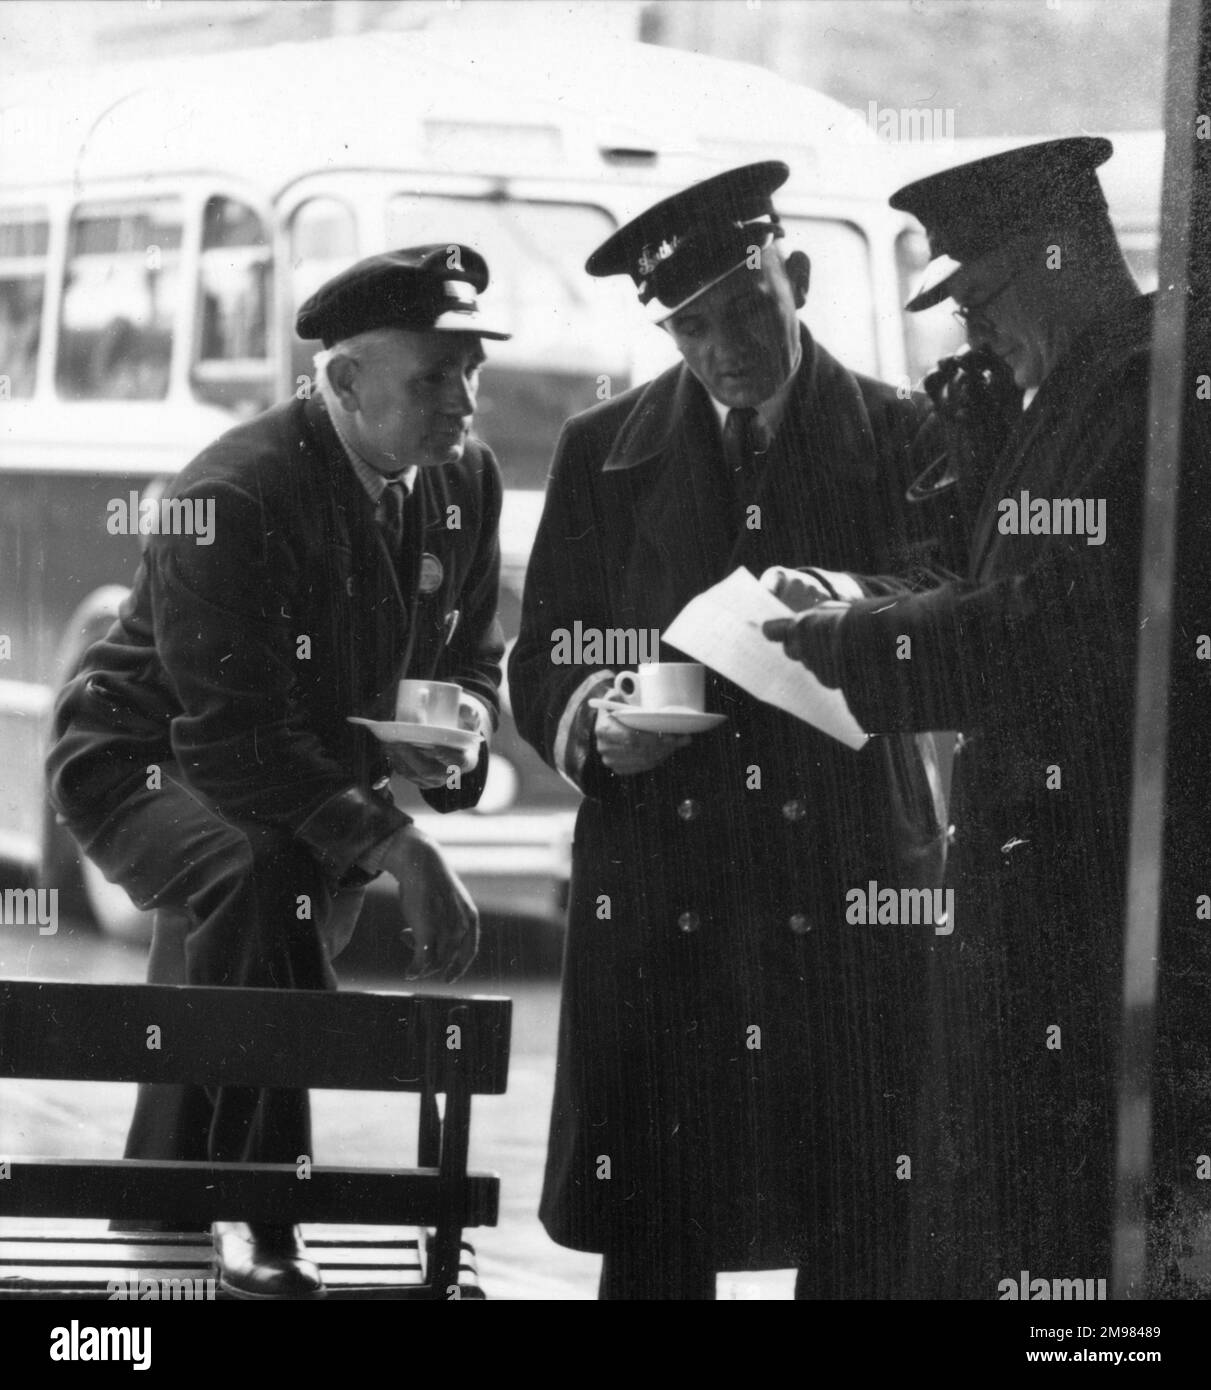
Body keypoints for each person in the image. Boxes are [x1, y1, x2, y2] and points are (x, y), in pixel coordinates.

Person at [764, 137, 1211, 1297]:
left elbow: (1056, 625)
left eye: (978, 298)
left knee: (1060, 1224)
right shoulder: (1068, 391)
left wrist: (857, 638)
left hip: (1095, 901)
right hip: (1045, 892)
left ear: (1057, 257)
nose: (970, 330)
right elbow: (989, 577)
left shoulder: (1144, 392)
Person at [508, 162, 953, 1300]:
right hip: (669, 877)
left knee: (858, 1218)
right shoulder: (600, 448)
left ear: (793, 276)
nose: (725, 348)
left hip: (842, 869)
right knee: (661, 1221)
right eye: (690, 326)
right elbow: (545, 649)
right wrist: (595, 719)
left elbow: (951, 599)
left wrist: (843, 602)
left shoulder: (904, 432)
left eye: (747, 308)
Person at [46, 245, 509, 1299]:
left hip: (277, 764)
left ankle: (162, 1210)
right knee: (262, 876)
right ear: (341, 380)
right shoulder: (236, 490)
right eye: (431, 379)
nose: (462, 402)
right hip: (145, 759)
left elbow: (469, 652)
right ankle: (263, 1203)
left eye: (469, 371)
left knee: (235, 946)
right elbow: (230, 742)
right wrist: (399, 848)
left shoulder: (461, 477)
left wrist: (463, 724)